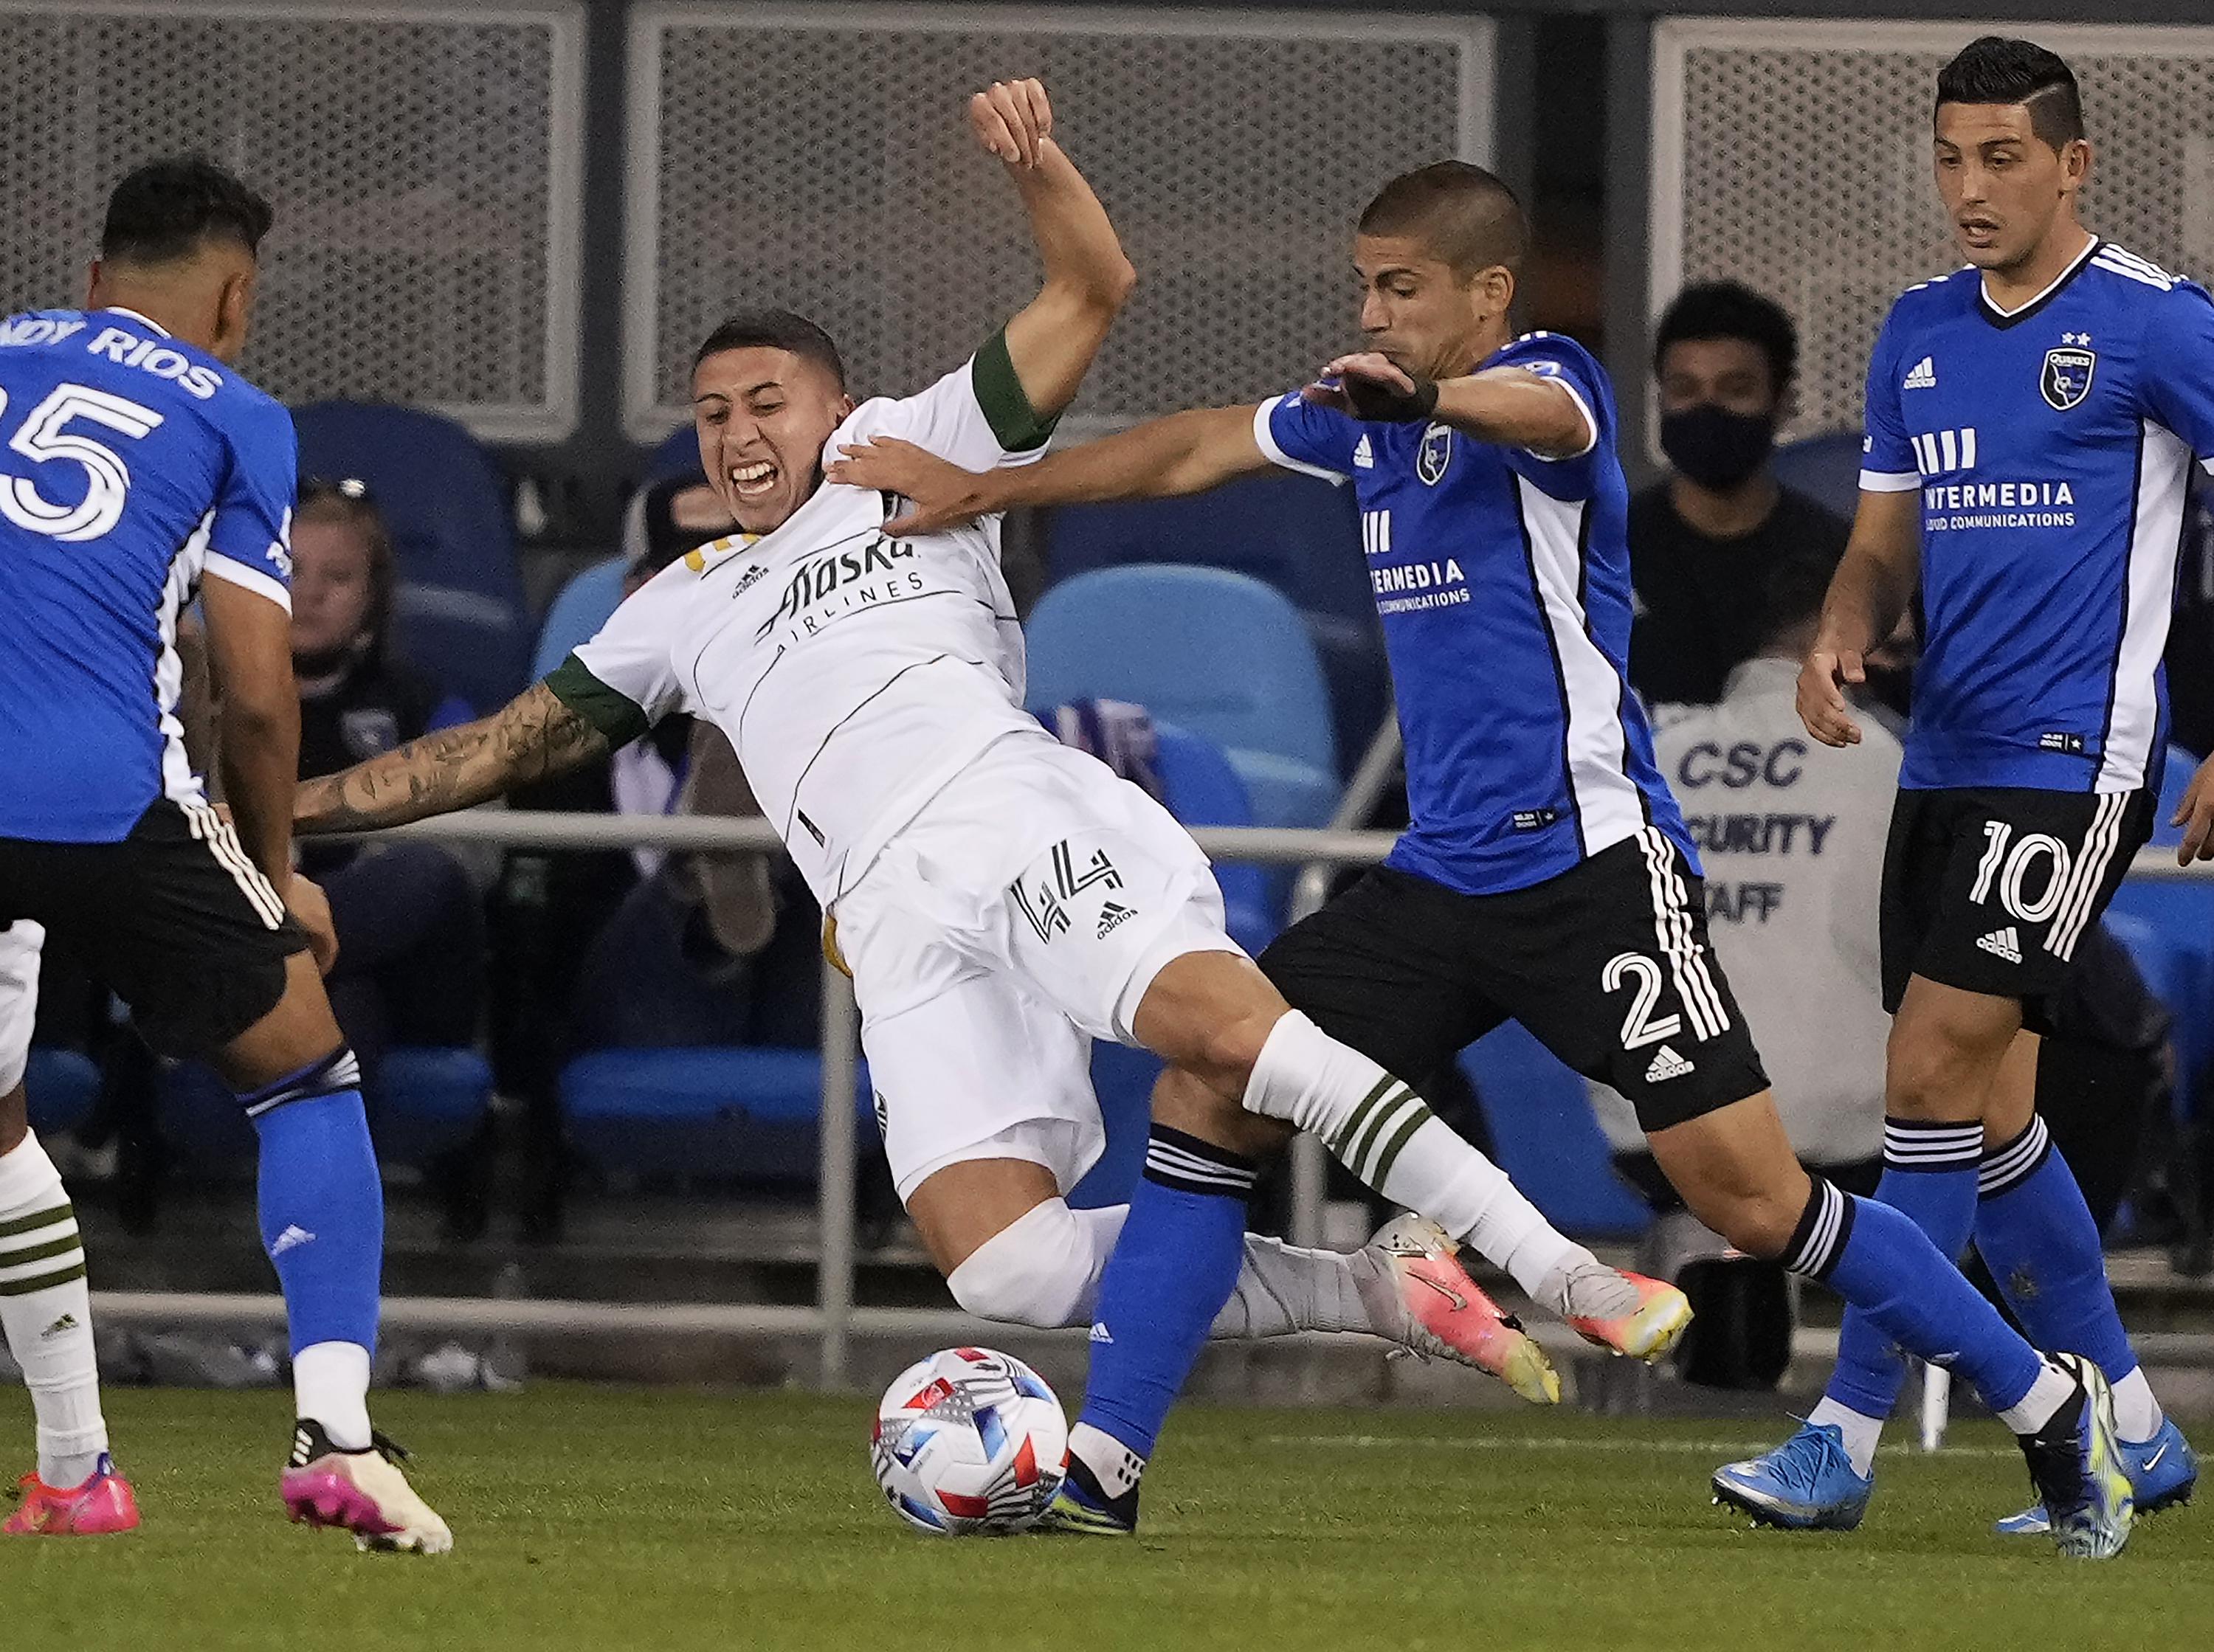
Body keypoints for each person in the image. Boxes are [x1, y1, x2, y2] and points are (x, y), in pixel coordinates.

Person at [295, 82, 1686, 1513]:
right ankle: (1378, 1287)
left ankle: (1562, 1269)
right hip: (888, 915)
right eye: (711, 415)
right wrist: (280, 813)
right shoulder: (675, 602)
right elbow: (491, 750)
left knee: (1234, 1036)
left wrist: (1036, 165)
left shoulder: (914, 446)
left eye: (767, 402)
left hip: (1008, 813)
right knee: (1004, 1266)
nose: (738, 434)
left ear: (837, 408)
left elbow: (1093, 284)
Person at [832, 156, 2135, 1555]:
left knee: (1754, 1199)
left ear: (1487, 292)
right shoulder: (1361, 418)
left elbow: (1547, 414)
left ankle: (2051, 1402)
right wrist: (989, 486)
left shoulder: (1549, 387)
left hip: (1594, 873)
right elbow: (1195, 446)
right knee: (1209, 1088)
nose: (1373, 312)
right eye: (1365, 287)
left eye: (1402, 288)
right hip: (1439, 881)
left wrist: (1430, 398)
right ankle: (1104, 1466)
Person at [1724, 34, 2214, 1540]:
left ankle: (1843, 1434)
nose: (1971, 187)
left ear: (2074, 164)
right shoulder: (1920, 330)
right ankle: (2135, 1425)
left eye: (2003, 157)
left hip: (2074, 759)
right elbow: (1883, 540)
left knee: (1929, 1078)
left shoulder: (2155, 324)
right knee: (1988, 1116)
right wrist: (1841, 630)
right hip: (1943, 754)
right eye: (1951, 159)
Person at [0, 157, 446, 1549]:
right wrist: (277, 871)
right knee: (304, 1069)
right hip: (103, 796)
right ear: (237, 298)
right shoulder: (232, 411)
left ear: (93, 280)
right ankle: (338, 1436)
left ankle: (76, 1472)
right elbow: (255, 691)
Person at [289, 477, 484, 1102]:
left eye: (337, 577)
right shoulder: (207, 701)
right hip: (331, 984)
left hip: (412, 977)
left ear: (372, 601)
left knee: (427, 872)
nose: (309, 593)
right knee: (346, 998)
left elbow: (477, 852)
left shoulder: (421, 704)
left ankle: (282, 950)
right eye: (290, 569)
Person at [1629, 283, 1850, 705]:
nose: (1708, 408)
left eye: (1736, 390)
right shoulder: (1603, 551)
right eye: (1684, 389)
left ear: (1782, 401)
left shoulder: (1837, 561)